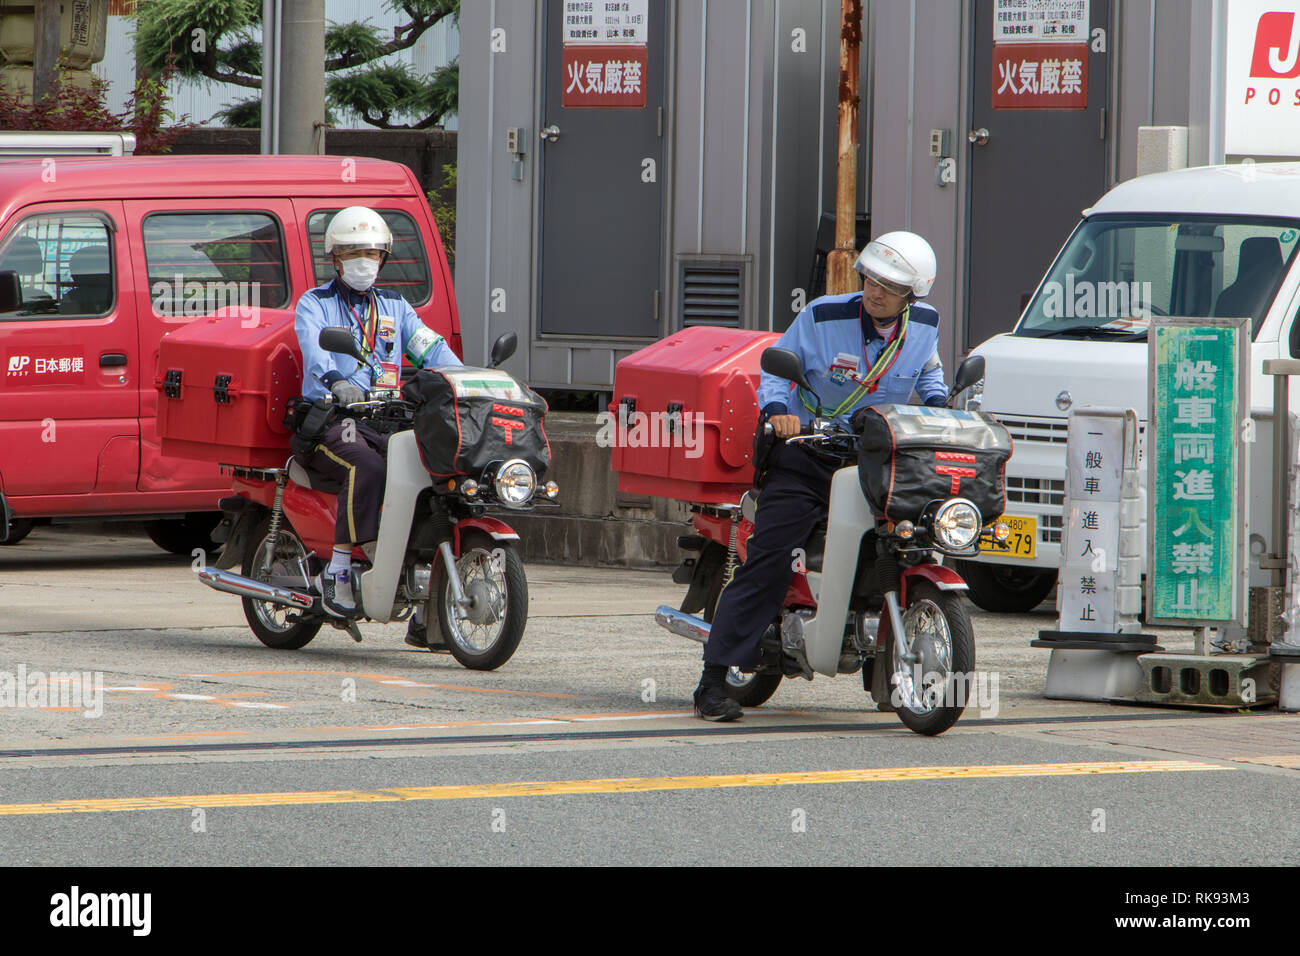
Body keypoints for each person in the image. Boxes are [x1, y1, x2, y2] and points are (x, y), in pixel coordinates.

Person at [692, 231, 950, 720]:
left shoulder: (925, 326)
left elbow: (930, 375)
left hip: (876, 459)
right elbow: (777, 369)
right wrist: (776, 412)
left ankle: (888, 662)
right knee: (769, 560)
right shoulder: (822, 314)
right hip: (808, 452)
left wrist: (942, 409)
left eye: (890, 287)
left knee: (911, 540)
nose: (876, 291)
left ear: (911, 297)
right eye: (871, 279)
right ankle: (712, 680)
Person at [293, 205, 461, 648]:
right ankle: (339, 570)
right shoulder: (316, 303)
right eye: (352, 251)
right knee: (366, 468)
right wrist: (337, 382)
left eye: (370, 251)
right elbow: (316, 355)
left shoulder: (395, 306)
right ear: (335, 257)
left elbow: (431, 347)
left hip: (387, 420)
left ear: (384, 257)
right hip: (334, 421)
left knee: (436, 474)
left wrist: (464, 379)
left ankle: (427, 602)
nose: (363, 260)